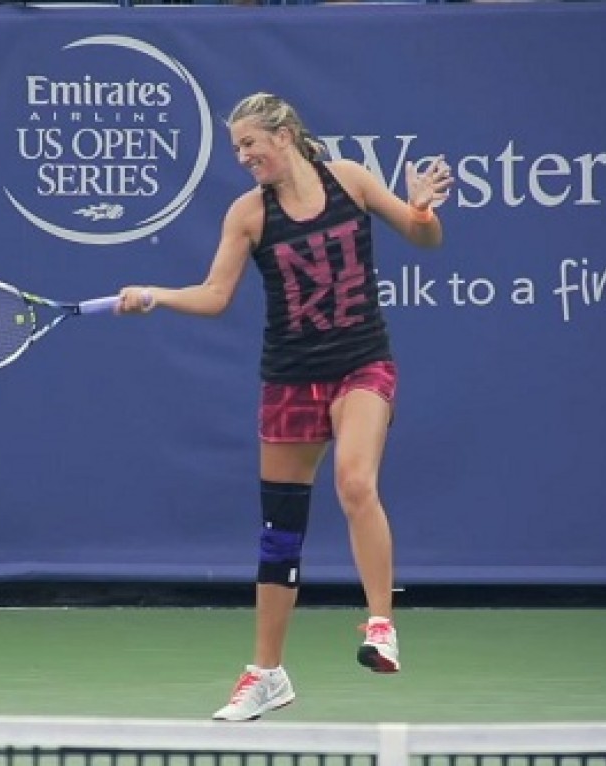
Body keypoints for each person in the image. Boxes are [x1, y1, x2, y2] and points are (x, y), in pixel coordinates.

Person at [115, 92, 453, 722]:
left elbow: (422, 237)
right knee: (279, 536)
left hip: (362, 361)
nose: (243, 156)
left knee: (356, 481)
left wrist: (424, 208)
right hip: (291, 378)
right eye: (237, 148)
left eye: (250, 143)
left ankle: (381, 624)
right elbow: (216, 296)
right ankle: (266, 673)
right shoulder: (248, 215)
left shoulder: (350, 181)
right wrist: (156, 295)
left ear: (286, 133)